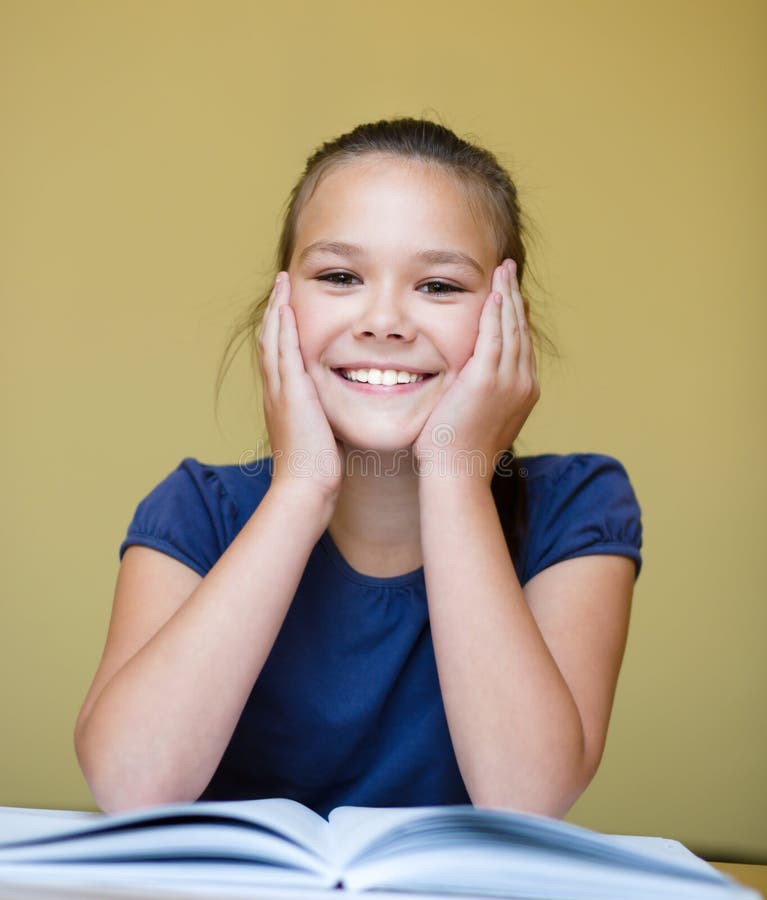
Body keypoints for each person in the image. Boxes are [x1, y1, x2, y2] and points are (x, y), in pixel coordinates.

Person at [74, 117, 642, 819]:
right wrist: (301, 486)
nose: (383, 321)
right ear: (280, 305)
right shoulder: (198, 508)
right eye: (340, 276)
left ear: (507, 320)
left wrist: (456, 475)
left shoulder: (577, 505)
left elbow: (526, 799)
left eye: (437, 286)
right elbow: (130, 787)